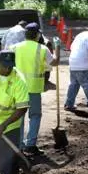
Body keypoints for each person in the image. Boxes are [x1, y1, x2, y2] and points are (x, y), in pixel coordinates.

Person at [12, 23, 59, 156]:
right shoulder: (42, 49)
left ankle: (19, 145)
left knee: (19, 117)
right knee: (35, 116)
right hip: (34, 88)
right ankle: (30, 145)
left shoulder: (15, 47)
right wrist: (58, 49)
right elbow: (54, 63)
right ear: (38, 35)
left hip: (18, 89)